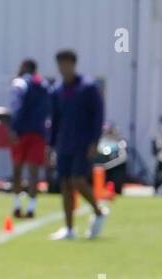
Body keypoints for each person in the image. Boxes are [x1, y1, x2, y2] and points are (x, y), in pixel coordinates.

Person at [47, 50, 107, 241]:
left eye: (66, 64)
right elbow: (55, 119)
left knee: (77, 180)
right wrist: (51, 145)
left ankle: (98, 211)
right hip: (64, 143)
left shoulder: (87, 87)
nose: (63, 68)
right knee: (64, 184)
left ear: (73, 64)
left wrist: (95, 141)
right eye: (60, 65)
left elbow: (98, 116)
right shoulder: (57, 90)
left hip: (82, 143)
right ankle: (69, 229)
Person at [7, 59, 51, 219]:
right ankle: (31, 207)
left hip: (22, 132)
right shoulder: (44, 84)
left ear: (24, 67)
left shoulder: (20, 83)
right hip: (39, 132)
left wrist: (14, 128)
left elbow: (16, 106)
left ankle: (17, 205)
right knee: (34, 172)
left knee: (17, 170)